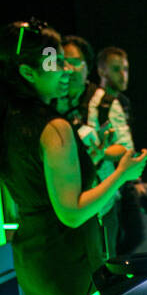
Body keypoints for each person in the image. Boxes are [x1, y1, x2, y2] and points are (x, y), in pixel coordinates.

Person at [0, 20, 147, 295]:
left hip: (32, 261)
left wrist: (96, 155)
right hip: (68, 263)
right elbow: (72, 213)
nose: (66, 70)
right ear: (27, 73)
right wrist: (122, 174)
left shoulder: (6, 122)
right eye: (55, 62)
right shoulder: (54, 127)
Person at [60, 35, 118, 258]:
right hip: (66, 205)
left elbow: (125, 151)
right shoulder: (49, 104)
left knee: (104, 264)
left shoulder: (104, 102)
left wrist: (103, 153)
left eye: (75, 62)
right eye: (62, 62)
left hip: (101, 201)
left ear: (88, 67)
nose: (68, 69)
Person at [88, 45, 143, 254]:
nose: (123, 75)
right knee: (118, 240)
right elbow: (101, 147)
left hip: (123, 179)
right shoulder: (97, 102)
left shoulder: (122, 102)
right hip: (108, 180)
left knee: (128, 236)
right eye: (116, 69)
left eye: (125, 69)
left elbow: (124, 142)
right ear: (101, 71)